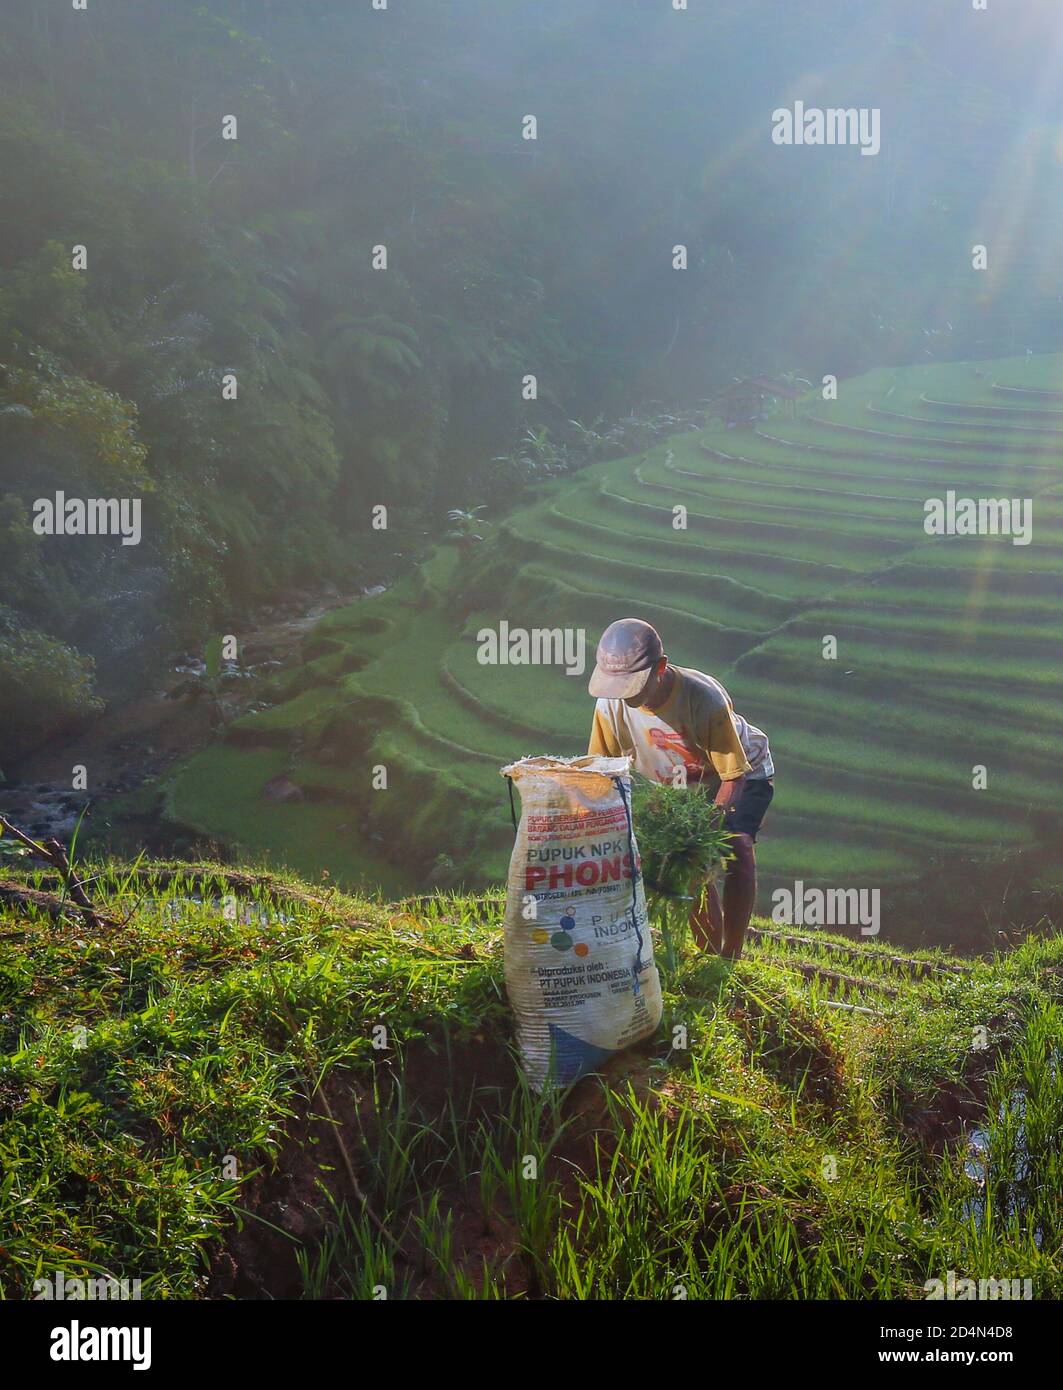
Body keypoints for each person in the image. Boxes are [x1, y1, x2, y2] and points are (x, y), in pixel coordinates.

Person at [586, 617, 774, 960]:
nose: (626, 695)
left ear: (660, 668)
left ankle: (730, 956)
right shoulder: (610, 706)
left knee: (738, 846)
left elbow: (733, 776)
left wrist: (704, 824)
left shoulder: (704, 699)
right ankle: (708, 956)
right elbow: (601, 774)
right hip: (681, 787)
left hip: (741, 774)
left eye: (635, 684)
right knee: (687, 866)